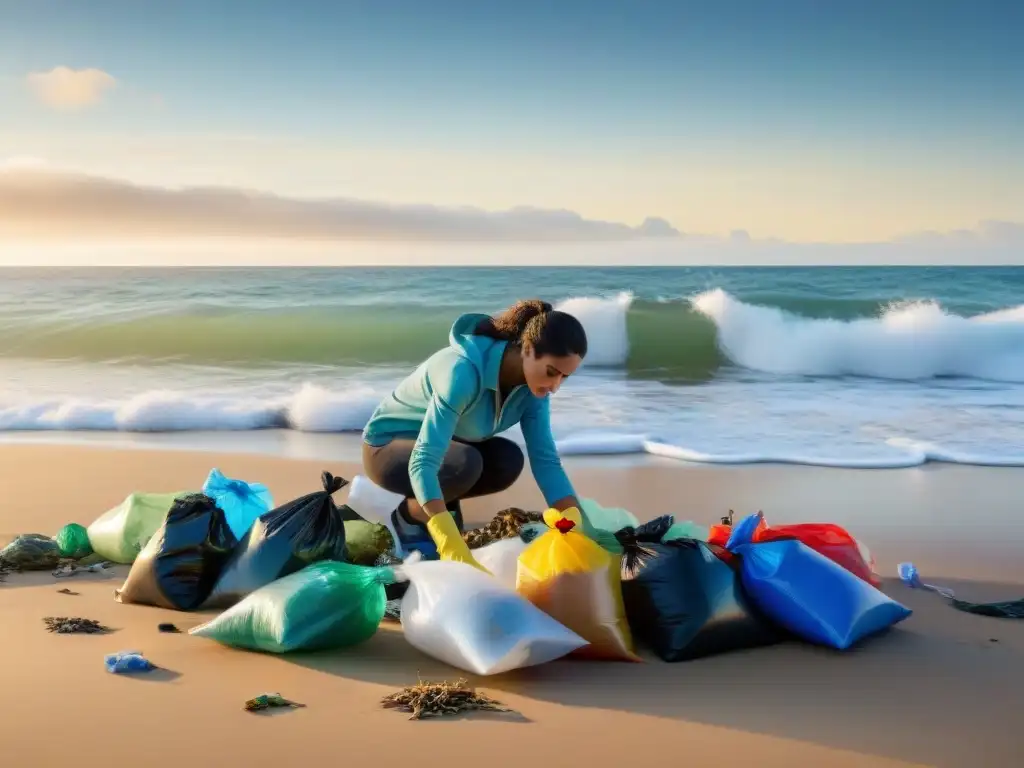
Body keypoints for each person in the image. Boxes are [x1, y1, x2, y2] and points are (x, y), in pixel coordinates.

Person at [360, 299, 588, 564]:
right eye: (551, 372)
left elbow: (546, 461)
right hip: (386, 448)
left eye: (564, 377)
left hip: (449, 448)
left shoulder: (533, 393)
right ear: (527, 348)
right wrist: (446, 537)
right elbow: (423, 462)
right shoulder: (463, 372)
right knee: (465, 463)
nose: (555, 386)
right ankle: (411, 517)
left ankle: (440, 504)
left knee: (507, 460)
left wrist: (579, 525)